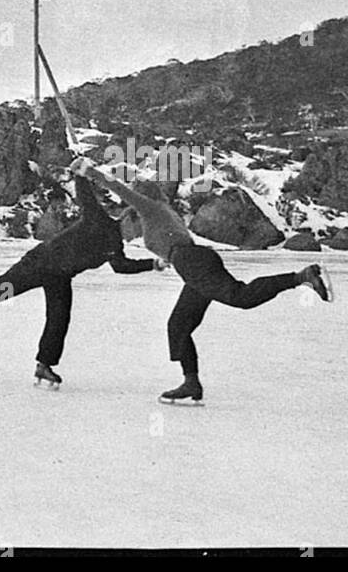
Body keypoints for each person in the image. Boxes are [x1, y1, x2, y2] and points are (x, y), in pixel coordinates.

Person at [71, 156, 331, 403]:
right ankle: (191, 383)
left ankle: (301, 277)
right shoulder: (163, 212)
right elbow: (175, 242)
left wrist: (89, 171)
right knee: (178, 326)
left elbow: (118, 188)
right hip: (191, 263)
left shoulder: (150, 209)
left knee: (240, 297)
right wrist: (165, 260)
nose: (131, 204)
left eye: (136, 197)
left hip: (191, 262)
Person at [0, 175, 157, 388]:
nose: (137, 234)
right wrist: (81, 172)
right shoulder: (98, 220)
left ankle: (44, 365)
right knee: (4, 290)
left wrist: (153, 264)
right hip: (40, 263)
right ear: (128, 218)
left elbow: (122, 267)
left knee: (59, 318)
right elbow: (85, 195)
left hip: (60, 276)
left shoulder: (115, 247)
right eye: (138, 229)